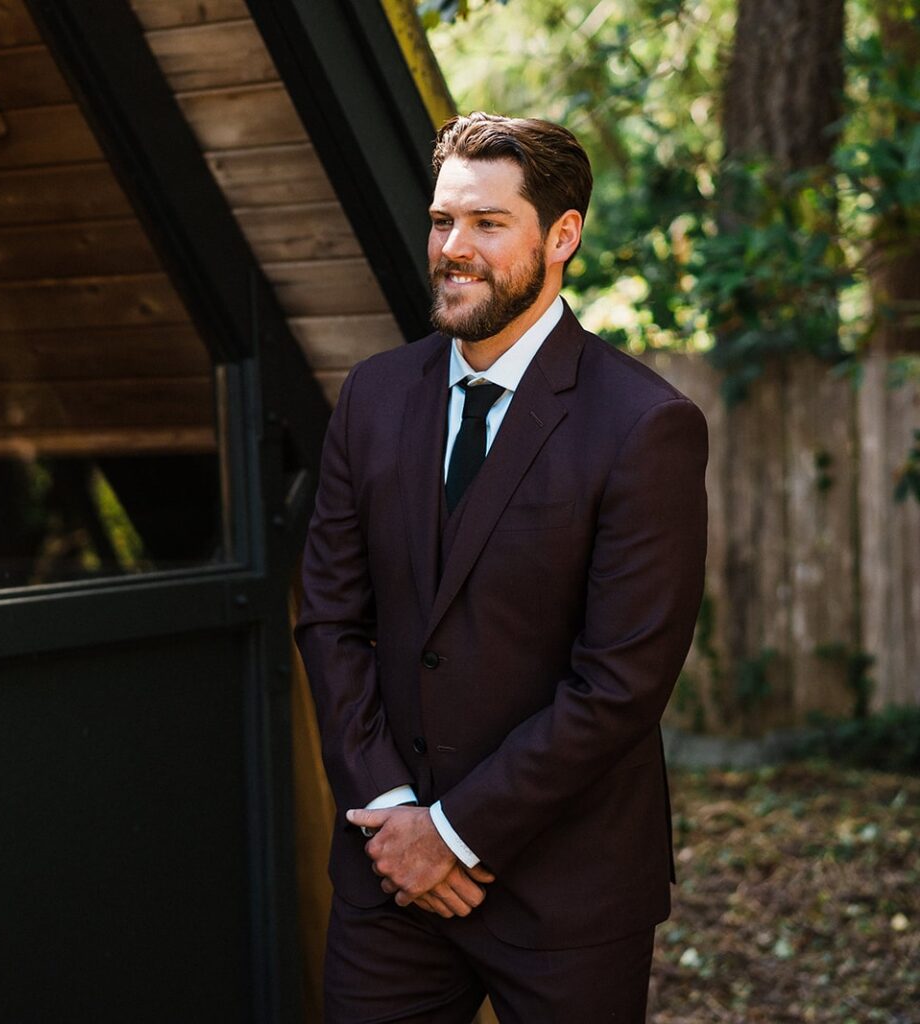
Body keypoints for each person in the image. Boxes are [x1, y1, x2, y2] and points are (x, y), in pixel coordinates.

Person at [295, 112, 708, 1022]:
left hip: (568, 889)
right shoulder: (373, 397)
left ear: (562, 237)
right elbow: (331, 619)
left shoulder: (644, 426)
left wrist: (453, 833)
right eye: (443, 221)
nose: (453, 248)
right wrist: (398, 817)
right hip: (388, 877)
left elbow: (621, 683)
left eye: (488, 223)